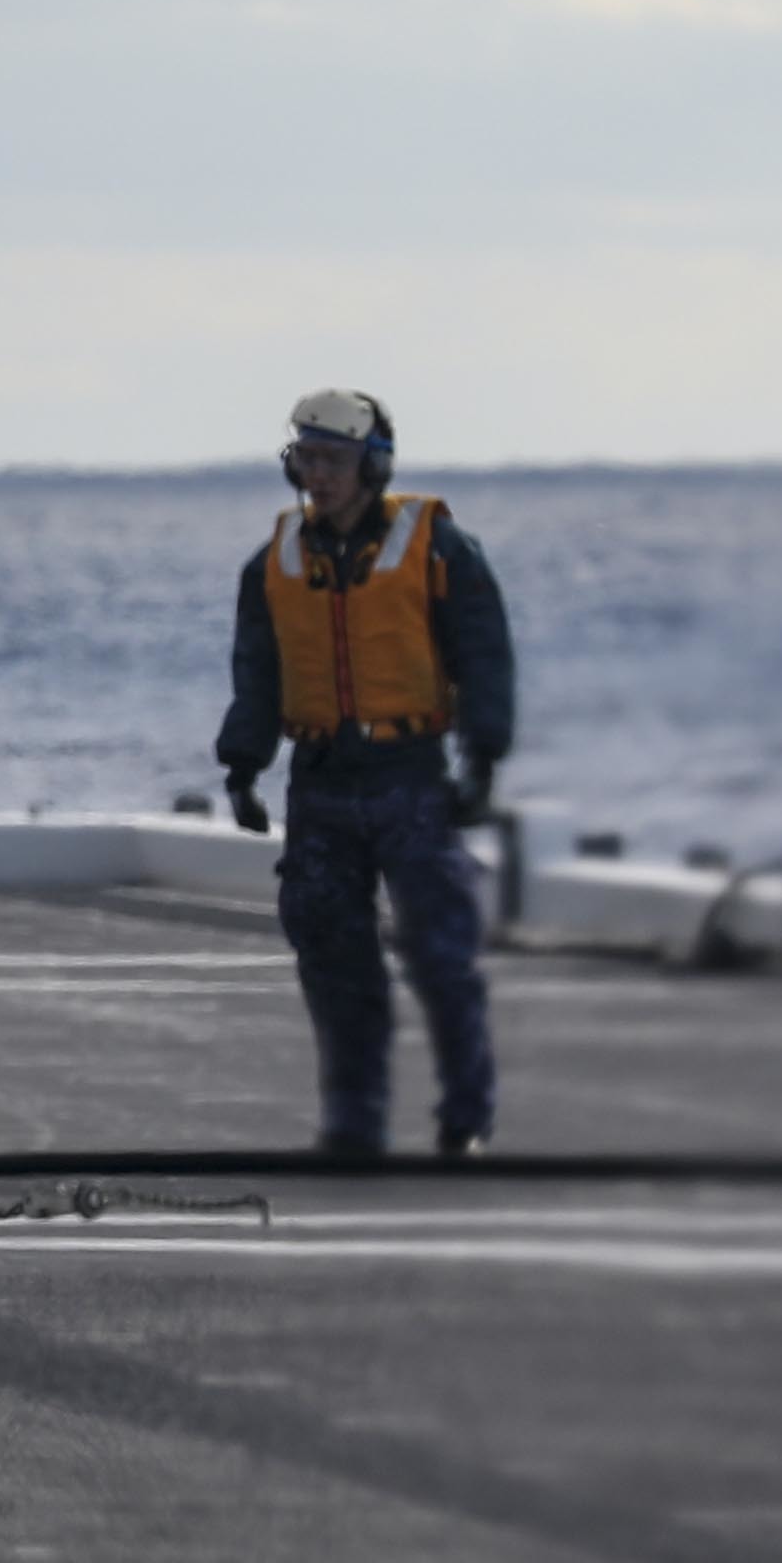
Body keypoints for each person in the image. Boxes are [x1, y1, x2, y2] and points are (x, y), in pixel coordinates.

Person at [214, 387, 514, 1157]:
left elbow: (483, 658)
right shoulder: (274, 563)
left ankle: (467, 1116)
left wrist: (483, 759)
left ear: (372, 464)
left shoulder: (440, 550)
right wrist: (243, 767)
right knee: (333, 959)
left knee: (442, 955)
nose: (319, 474)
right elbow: (258, 674)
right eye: (306, 458)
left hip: (410, 775)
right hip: (320, 783)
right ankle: (353, 1121)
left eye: (334, 459)